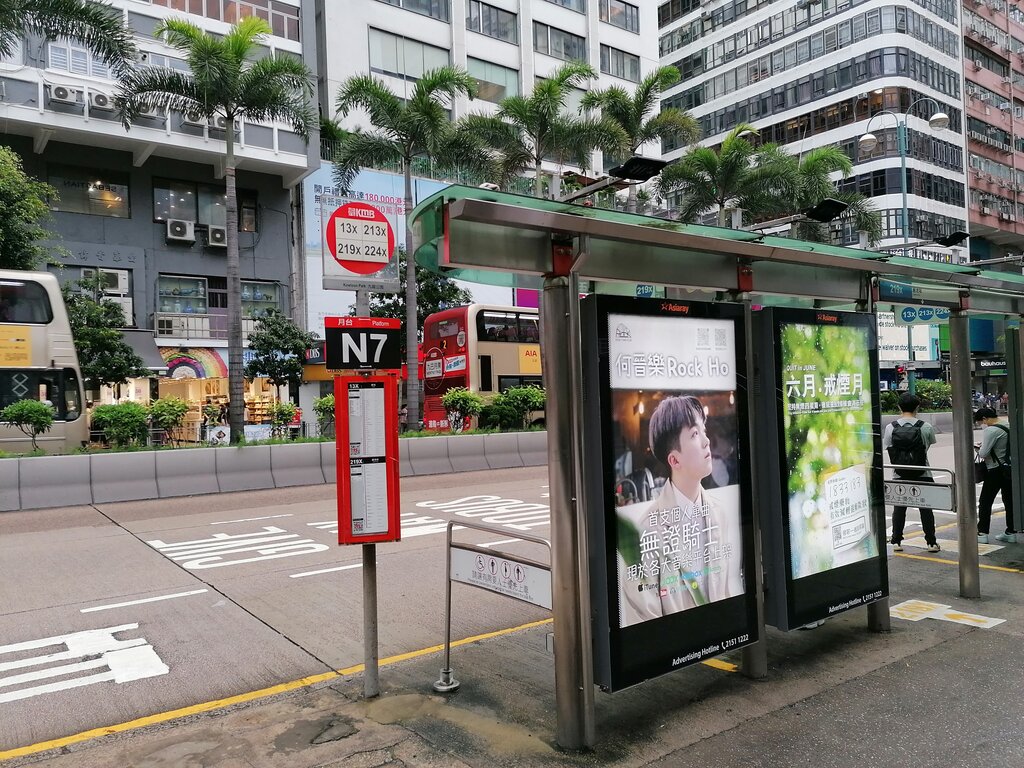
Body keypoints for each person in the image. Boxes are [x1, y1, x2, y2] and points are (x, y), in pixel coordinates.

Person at [617, 395, 744, 627]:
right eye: (695, 434)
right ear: (674, 461)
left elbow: (727, 594)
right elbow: (645, 624)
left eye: (703, 430)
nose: (707, 441)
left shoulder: (719, 514)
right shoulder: (646, 533)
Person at [882, 393, 940, 553]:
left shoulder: (891, 427)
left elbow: (889, 447)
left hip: (899, 474)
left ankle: (896, 541)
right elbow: (927, 446)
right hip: (923, 473)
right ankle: (931, 543)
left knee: (899, 508)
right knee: (926, 509)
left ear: (899, 407)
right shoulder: (926, 426)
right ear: (917, 407)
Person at [974, 406, 1017, 544]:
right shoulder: (1009, 425)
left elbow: (983, 453)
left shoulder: (991, 430)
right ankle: (1011, 532)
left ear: (985, 419)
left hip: (995, 470)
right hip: (1009, 469)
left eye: (980, 423)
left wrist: (977, 448)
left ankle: (982, 533)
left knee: (985, 501)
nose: (982, 425)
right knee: (1009, 501)